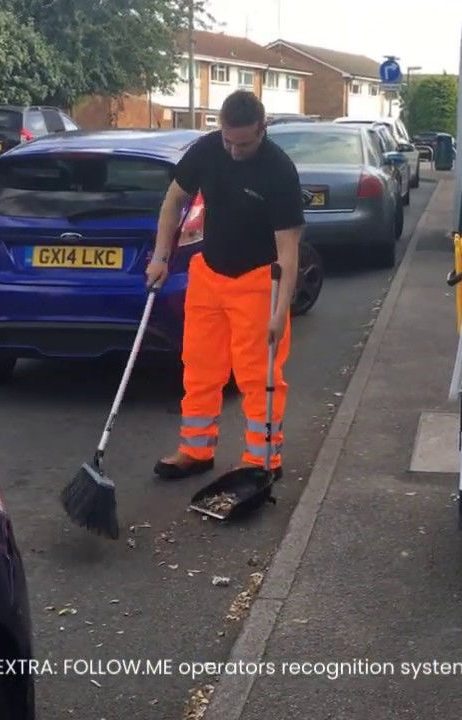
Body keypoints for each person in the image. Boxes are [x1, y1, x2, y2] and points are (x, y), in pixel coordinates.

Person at [146, 90, 305, 481]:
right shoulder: (207, 150)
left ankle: (261, 460)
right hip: (209, 274)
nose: (233, 150)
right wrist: (160, 256)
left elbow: (288, 249)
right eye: (227, 140)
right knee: (199, 367)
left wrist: (279, 310)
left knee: (258, 375)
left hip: (257, 280)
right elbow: (174, 201)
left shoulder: (279, 171)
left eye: (243, 143)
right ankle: (195, 450)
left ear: (262, 130)